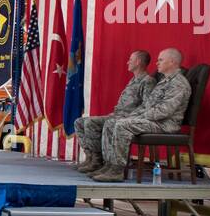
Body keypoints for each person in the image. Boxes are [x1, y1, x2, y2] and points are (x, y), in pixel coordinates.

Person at [90, 48, 192, 183]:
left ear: (172, 62)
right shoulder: (165, 81)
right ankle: (109, 165)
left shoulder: (179, 84)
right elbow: (146, 106)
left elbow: (163, 111)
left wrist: (137, 118)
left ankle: (117, 170)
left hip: (165, 124)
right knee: (112, 122)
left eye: (161, 60)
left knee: (122, 125)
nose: (156, 63)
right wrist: (132, 115)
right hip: (155, 121)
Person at [74, 50, 157, 175]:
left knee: (91, 123)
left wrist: (127, 116)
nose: (127, 62)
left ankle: (100, 161)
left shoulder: (147, 81)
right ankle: (92, 156)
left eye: (130, 59)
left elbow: (147, 105)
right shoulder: (134, 80)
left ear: (138, 61)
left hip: (127, 118)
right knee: (79, 122)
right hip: (118, 115)